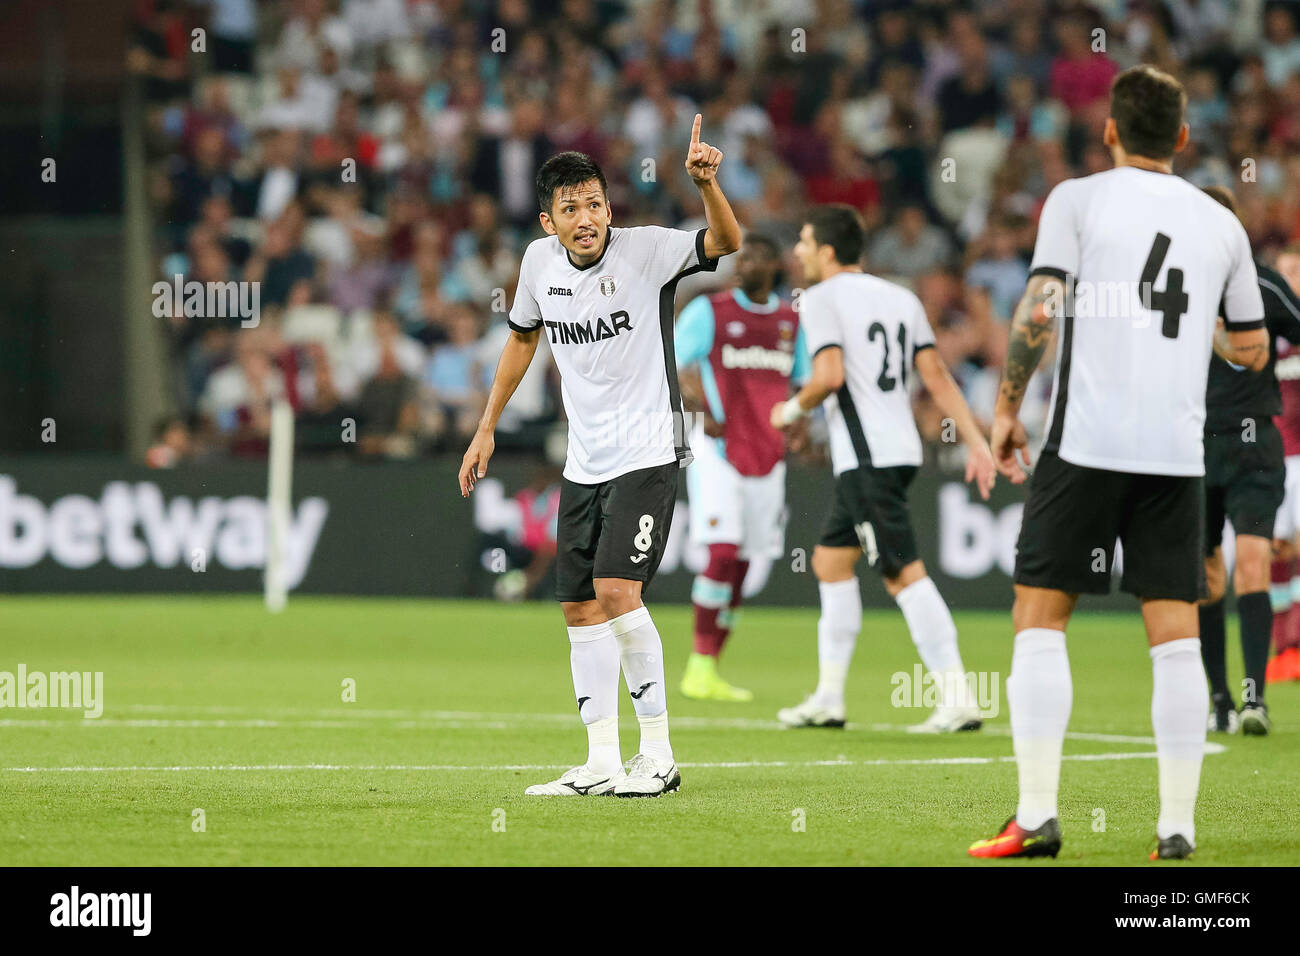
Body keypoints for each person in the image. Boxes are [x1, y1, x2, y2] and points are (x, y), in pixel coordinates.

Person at [969, 66, 1269, 861]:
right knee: (1173, 634)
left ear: (1108, 130)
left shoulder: (1077, 198)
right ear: (1182, 136)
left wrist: (1005, 408)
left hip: (1087, 441)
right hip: (1176, 452)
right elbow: (1251, 348)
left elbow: (1040, 306)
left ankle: (1036, 817)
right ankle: (1177, 830)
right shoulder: (1222, 226)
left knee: (1040, 616)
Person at [459, 118, 741, 798]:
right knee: (580, 609)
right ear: (548, 221)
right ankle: (600, 762)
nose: (585, 219)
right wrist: (486, 426)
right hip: (584, 461)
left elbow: (726, 243)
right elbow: (523, 340)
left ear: (610, 208)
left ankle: (661, 756)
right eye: (570, 208)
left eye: (594, 204)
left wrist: (707, 185)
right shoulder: (536, 264)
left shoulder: (647, 252)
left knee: (617, 593)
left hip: (649, 448)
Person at [771, 205, 997, 733]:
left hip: (868, 458)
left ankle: (958, 695)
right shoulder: (901, 296)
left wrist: (790, 410)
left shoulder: (821, 298)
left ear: (827, 251)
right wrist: (976, 441)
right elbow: (937, 376)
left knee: (902, 574)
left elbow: (827, 375)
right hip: (896, 452)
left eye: (804, 241)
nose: (799, 251)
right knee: (829, 563)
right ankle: (828, 697)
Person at [674, 234, 806, 701]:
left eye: (754, 256)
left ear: (773, 264)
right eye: (740, 256)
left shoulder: (791, 322)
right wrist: (698, 408)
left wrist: (799, 424)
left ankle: (711, 667)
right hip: (718, 448)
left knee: (745, 565)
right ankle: (697, 663)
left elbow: (802, 384)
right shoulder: (709, 311)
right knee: (723, 552)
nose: (742, 262)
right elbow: (671, 364)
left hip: (767, 453)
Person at [1197, 186, 1300, 737]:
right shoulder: (1176, 286)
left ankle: (1252, 699)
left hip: (1253, 442)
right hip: (1193, 443)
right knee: (1210, 575)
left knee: (1249, 564)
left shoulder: (1261, 283)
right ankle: (1221, 699)